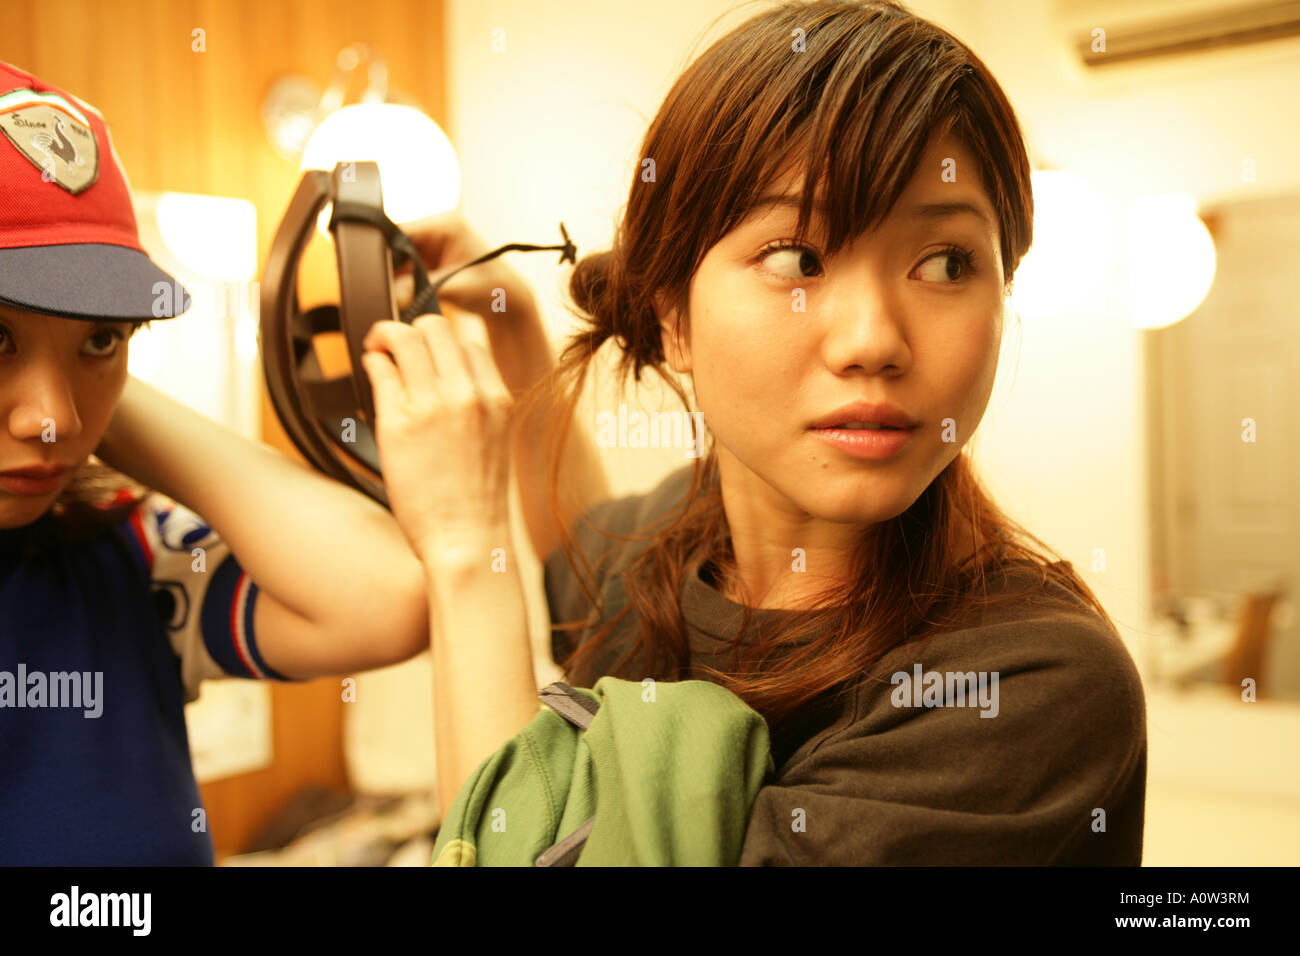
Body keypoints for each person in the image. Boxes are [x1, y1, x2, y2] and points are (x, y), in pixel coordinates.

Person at [360, 0, 1147, 865]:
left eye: (946, 263)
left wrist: (465, 554)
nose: (873, 342)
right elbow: (582, 564)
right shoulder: (680, 535)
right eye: (798, 260)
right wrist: (516, 339)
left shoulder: (1029, 682)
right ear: (674, 322)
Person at [0, 60, 430, 865]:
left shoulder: (120, 556)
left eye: (105, 337)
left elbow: (392, 594)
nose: (51, 418)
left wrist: (98, 414)